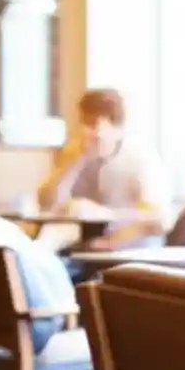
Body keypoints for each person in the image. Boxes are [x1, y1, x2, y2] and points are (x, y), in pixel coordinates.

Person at [37, 88, 173, 250]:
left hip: (131, 255)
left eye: (95, 124)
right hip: (81, 253)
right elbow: (46, 204)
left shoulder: (141, 158)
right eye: (86, 123)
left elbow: (161, 220)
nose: (91, 132)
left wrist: (112, 234)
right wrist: (74, 162)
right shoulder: (74, 154)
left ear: (118, 127)